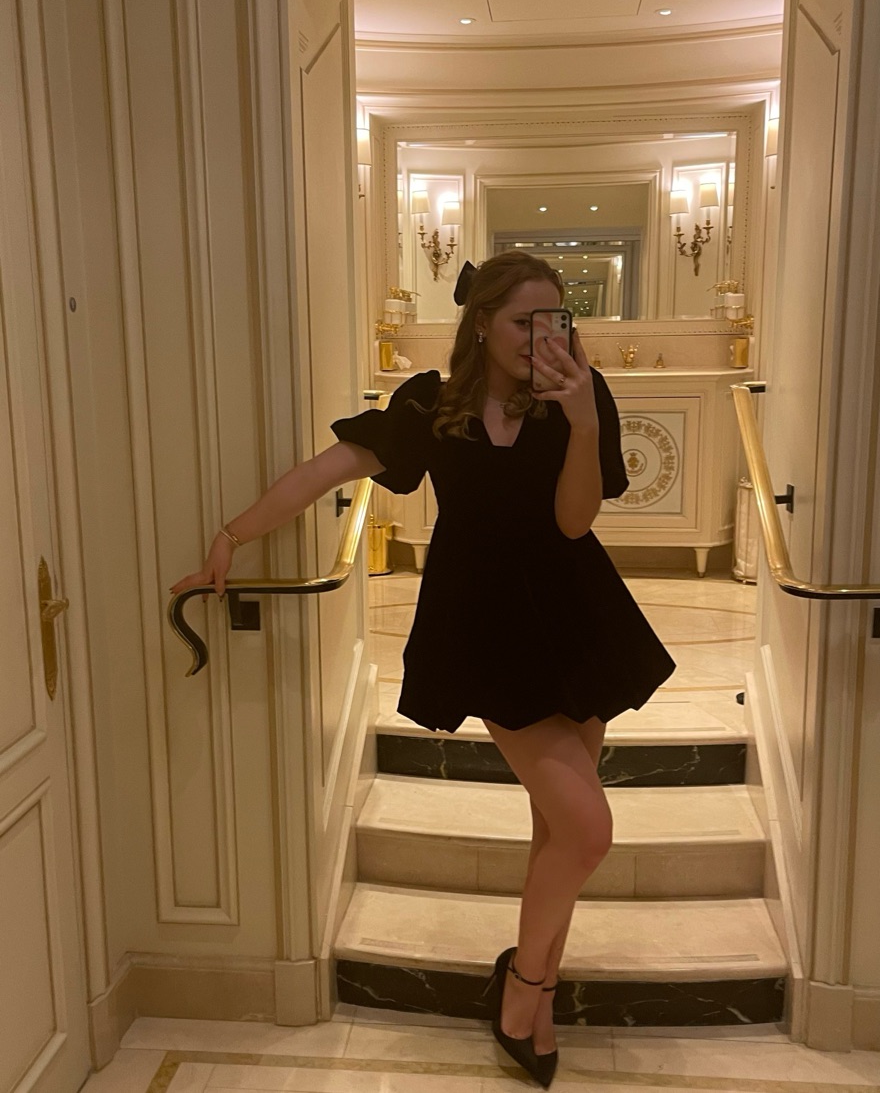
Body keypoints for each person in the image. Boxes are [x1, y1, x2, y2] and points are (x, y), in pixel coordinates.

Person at [171, 251, 675, 1088]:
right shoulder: (432, 405)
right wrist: (232, 534)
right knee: (588, 828)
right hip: (490, 628)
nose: (543, 337)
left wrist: (584, 422)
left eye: (556, 319)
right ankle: (523, 988)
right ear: (481, 323)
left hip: (576, 616)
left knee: (559, 830)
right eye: (524, 320)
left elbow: (575, 521)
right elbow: (325, 470)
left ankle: (535, 989)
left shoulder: (580, 398)